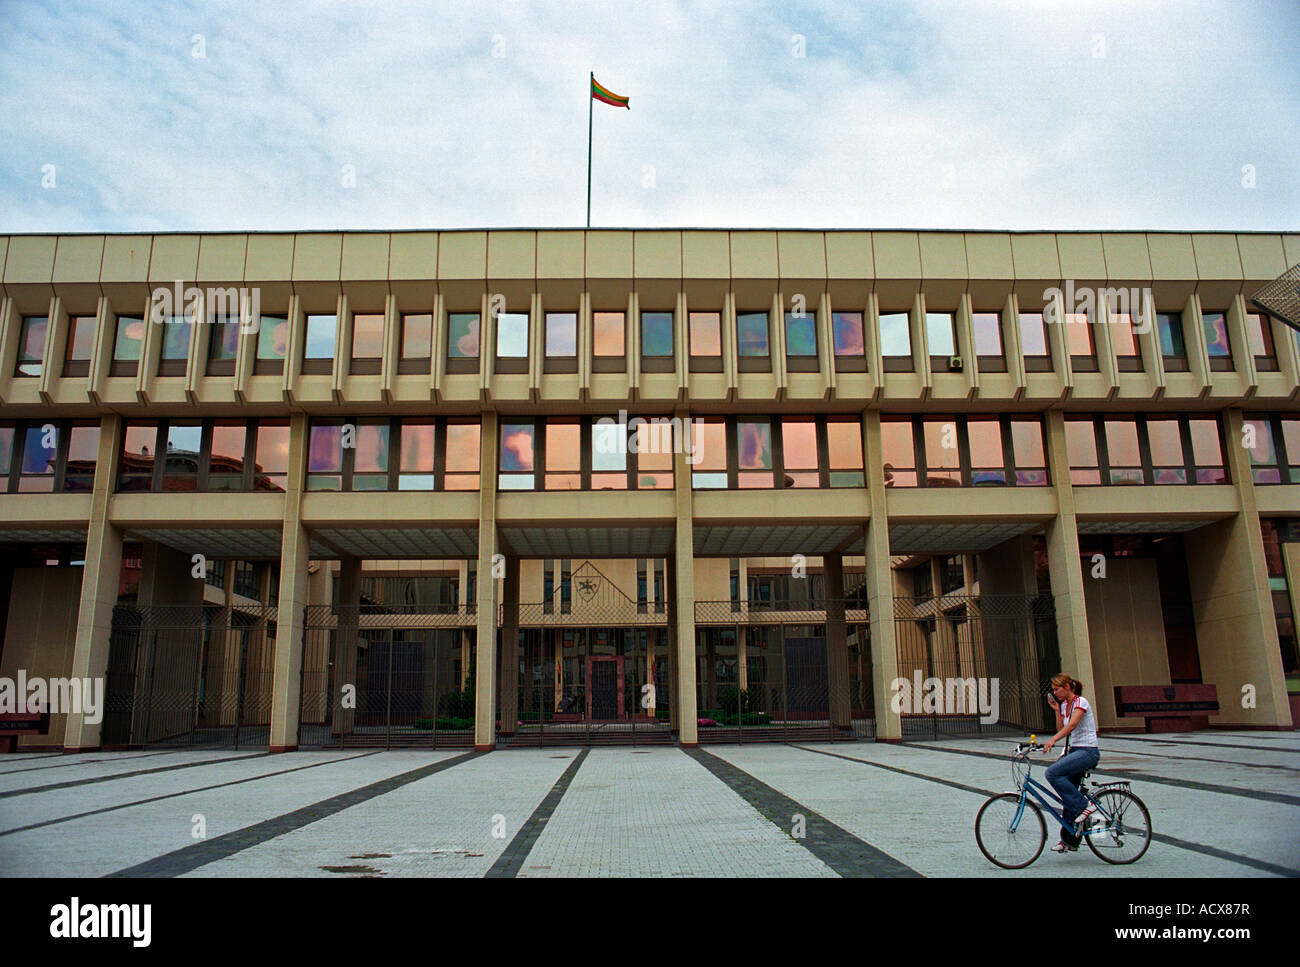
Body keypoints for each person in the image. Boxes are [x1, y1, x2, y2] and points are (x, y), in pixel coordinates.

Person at [1042, 674, 1100, 853]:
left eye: (1057, 689)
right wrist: (1057, 710)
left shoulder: (1081, 702)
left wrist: (1052, 740)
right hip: (1075, 751)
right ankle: (1069, 839)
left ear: (1067, 687)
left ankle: (1084, 807)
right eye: (1053, 689)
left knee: (1052, 773)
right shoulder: (1065, 705)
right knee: (1068, 794)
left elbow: (1073, 725)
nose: (1054, 692)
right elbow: (1063, 728)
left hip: (1087, 751)